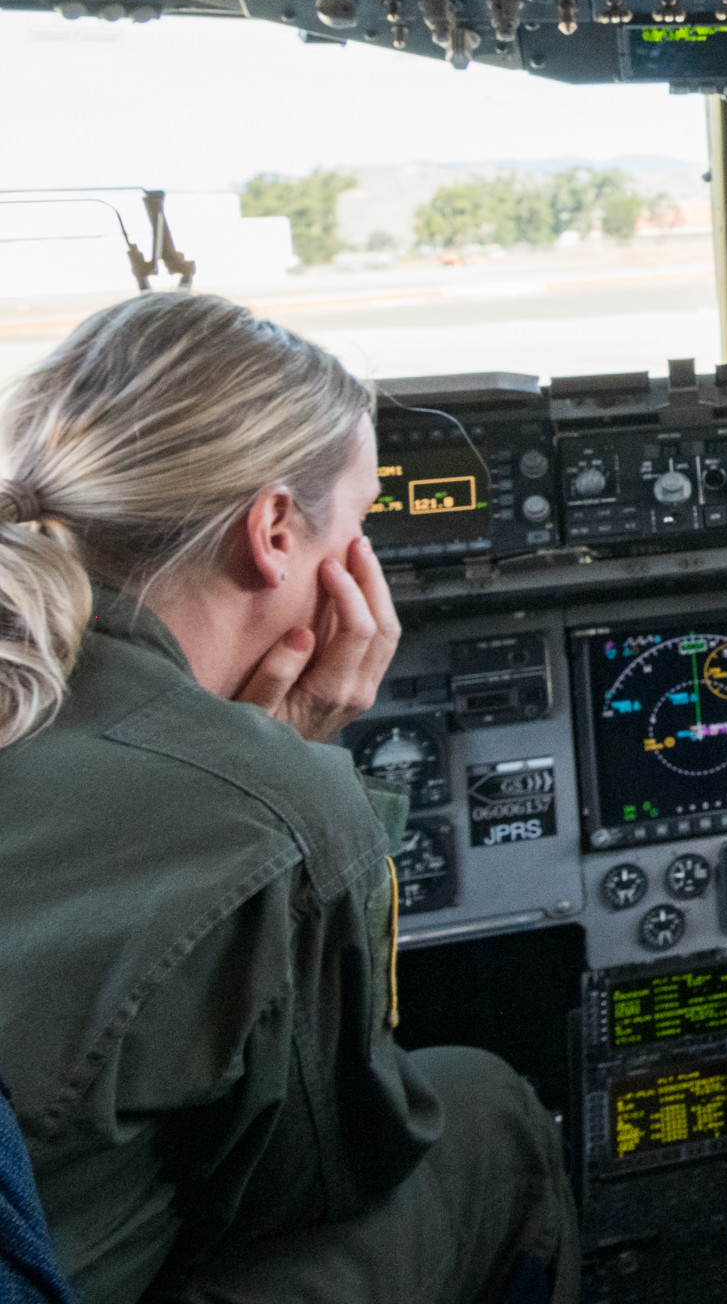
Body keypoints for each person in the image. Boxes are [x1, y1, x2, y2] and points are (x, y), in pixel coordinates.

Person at [0, 294, 576, 1304]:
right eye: (356, 526)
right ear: (272, 530)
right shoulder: (267, 814)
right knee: (484, 1109)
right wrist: (279, 769)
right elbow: (314, 1182)